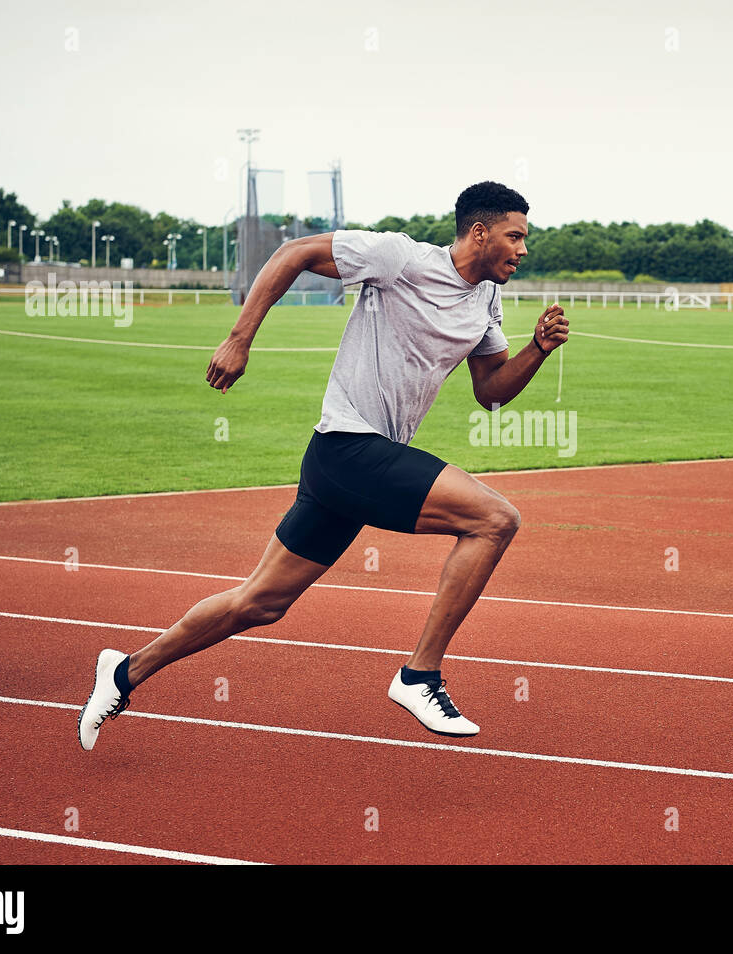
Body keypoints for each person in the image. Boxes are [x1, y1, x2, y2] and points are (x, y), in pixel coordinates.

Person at [78, 181, 567, 748]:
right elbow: (295, 253)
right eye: (515, 236)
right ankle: (420, 675)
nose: (523, 249)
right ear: (479, 232)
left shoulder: (485, 299)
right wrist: (240, 339)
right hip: (347, 446)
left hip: (350, 468)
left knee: (258, 604)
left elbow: (491, 391)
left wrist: (536, 349)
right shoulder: (400, 258)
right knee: (494, 519)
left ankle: (124, 670)